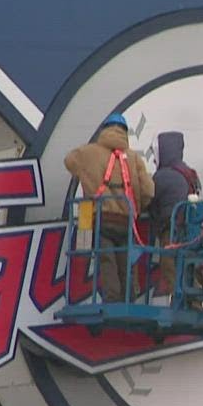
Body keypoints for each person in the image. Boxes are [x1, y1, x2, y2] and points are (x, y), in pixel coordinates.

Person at [64, 113, 155, 302]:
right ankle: (129, 298)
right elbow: (148, 191)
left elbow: (69, 161)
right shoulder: (134, 158)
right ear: (124, 132)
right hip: (126, 220)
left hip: (101, 219)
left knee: (107, 260)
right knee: (126, 261)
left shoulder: (88, 152)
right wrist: (138, 206)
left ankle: (112, 298)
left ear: (104, 129)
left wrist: (87, 175)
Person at [148, 131, 200, 295]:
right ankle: (194, 299)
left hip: (170, 229)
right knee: (189, 264)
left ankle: (176, 296)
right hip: (191, 228)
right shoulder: (189, 173)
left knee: (168, 262)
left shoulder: (162, 176)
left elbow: (148, 200)